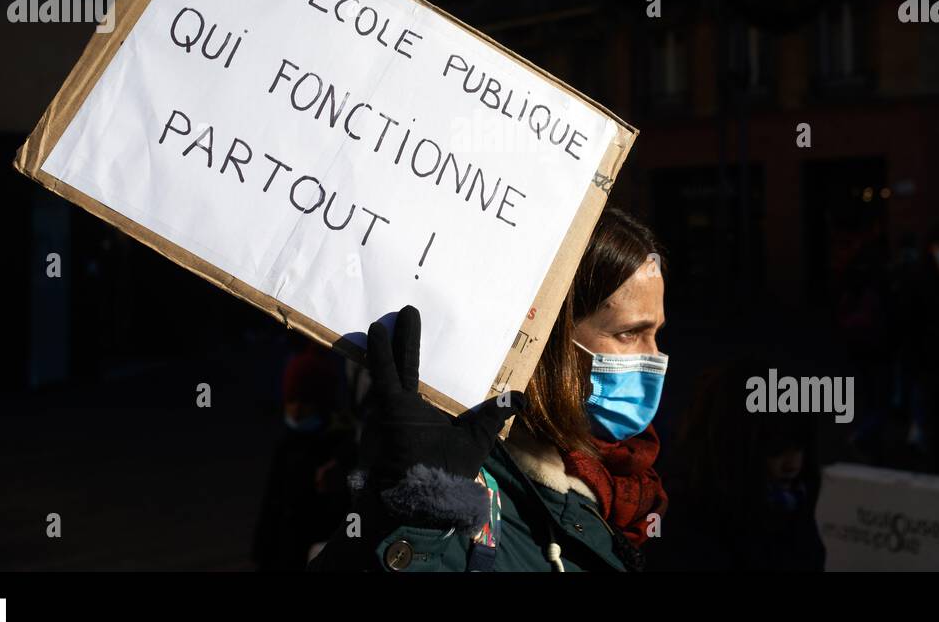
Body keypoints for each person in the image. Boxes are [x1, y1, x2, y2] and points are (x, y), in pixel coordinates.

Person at [308, 207, 669, 572]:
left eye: (656, 333)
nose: (655, 357)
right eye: (629, 333)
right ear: (548, 340)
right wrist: (418, 518)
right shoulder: (464, 490)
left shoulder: (626, 485)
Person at [657, 357, 825, 572]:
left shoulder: (791, 499)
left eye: (800, 448)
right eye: (775, 451)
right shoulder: (685, 511)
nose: (793, 465)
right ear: (734, 444)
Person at [250, 342, 357, 571]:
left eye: (305, 403)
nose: (297, 410)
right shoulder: (286, 444)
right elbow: (272, 504)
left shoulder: (342, 449)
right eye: (291, 402)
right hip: (283, 553)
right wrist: (262, 551)